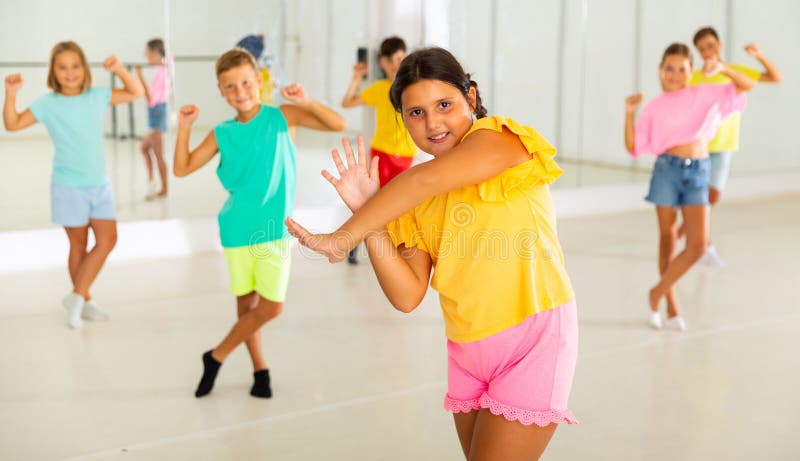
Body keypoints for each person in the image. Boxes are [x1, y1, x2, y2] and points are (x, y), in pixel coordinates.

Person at [287, 47, 577, 461]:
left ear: (470, 97)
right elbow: (407, 296)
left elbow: (424, 181)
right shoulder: (417, 200)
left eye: (444, 105)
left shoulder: (500, 139)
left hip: (531, 340)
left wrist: (342, 238)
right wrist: (369, 221)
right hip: (467, 350)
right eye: (416, 113)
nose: (433, 123)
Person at [173, 49, 345, 398]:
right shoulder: (221, 133)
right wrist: (185, 128)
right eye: (230, 86)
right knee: (246, 308)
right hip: (236, 229)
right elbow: (182, 168)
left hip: (272, 230)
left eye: (246, 83)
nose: (240, 91)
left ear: (258, 81)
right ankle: (260, 370)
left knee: (271, 307)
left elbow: (337, 124)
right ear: (221, 91)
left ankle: (215, 356)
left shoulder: (283, 116)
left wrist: (307, 102)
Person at [3, 41, 144, 328]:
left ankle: (76, 297)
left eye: (75, 66)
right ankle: (85, 300)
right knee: (78, 245)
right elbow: (13, 124)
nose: (70, 72)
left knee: (107, 240)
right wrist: (11, 94)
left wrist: (119, 69)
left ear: (84, 68)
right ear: (53, 72)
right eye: (63, 67)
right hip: (67, 186)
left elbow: (136, 92)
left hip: (99, 184)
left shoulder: (97, 96)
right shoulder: (47, 103)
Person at [624, 43, 755, 330]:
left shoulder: (705, 93)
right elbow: (633, 147)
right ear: (660, 70)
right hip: (666, 171)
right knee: (668, 240)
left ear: (691, 71)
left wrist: (722, 67)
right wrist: (629, 112)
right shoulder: (655, 107)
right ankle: (671, 307)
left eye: (681, 69)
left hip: (698, 172)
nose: (674, 74)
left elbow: (747, 85)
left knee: (697, 245)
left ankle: (655, 293)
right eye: (669, 68)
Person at [688, 27, 783, 266]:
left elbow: (775, 77)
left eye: (710, 45)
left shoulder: (735, 72)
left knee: (712, 196)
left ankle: (688, 233)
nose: (707, 51)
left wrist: (758, 56)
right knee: (701, 198)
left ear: (719, 44)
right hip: (700, 146)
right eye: (702, 49)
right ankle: (703, 245)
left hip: (725, 145)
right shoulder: (694, 77)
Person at [340, 36, 416, 264]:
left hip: (405, 155)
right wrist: (356, 78)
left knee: (399, 204)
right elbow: (347, 102)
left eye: (399, 58)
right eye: (389, 60)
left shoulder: (413, 88)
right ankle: (354, 241)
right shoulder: (380, 89)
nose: (394, 64)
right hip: (381, 153)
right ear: (382, 63)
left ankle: (396, 248)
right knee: (372, 200)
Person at [135, 38, 170, 199]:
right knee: (144, 148)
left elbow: (150, 98)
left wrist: (139, 75)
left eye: (147, 52)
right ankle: (152, 183)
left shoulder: (163, 71)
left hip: (157, 112)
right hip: (155, 111)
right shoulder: (161, 69)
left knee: (158, 153)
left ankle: (163, 188)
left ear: (155, 52)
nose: (145, 55)